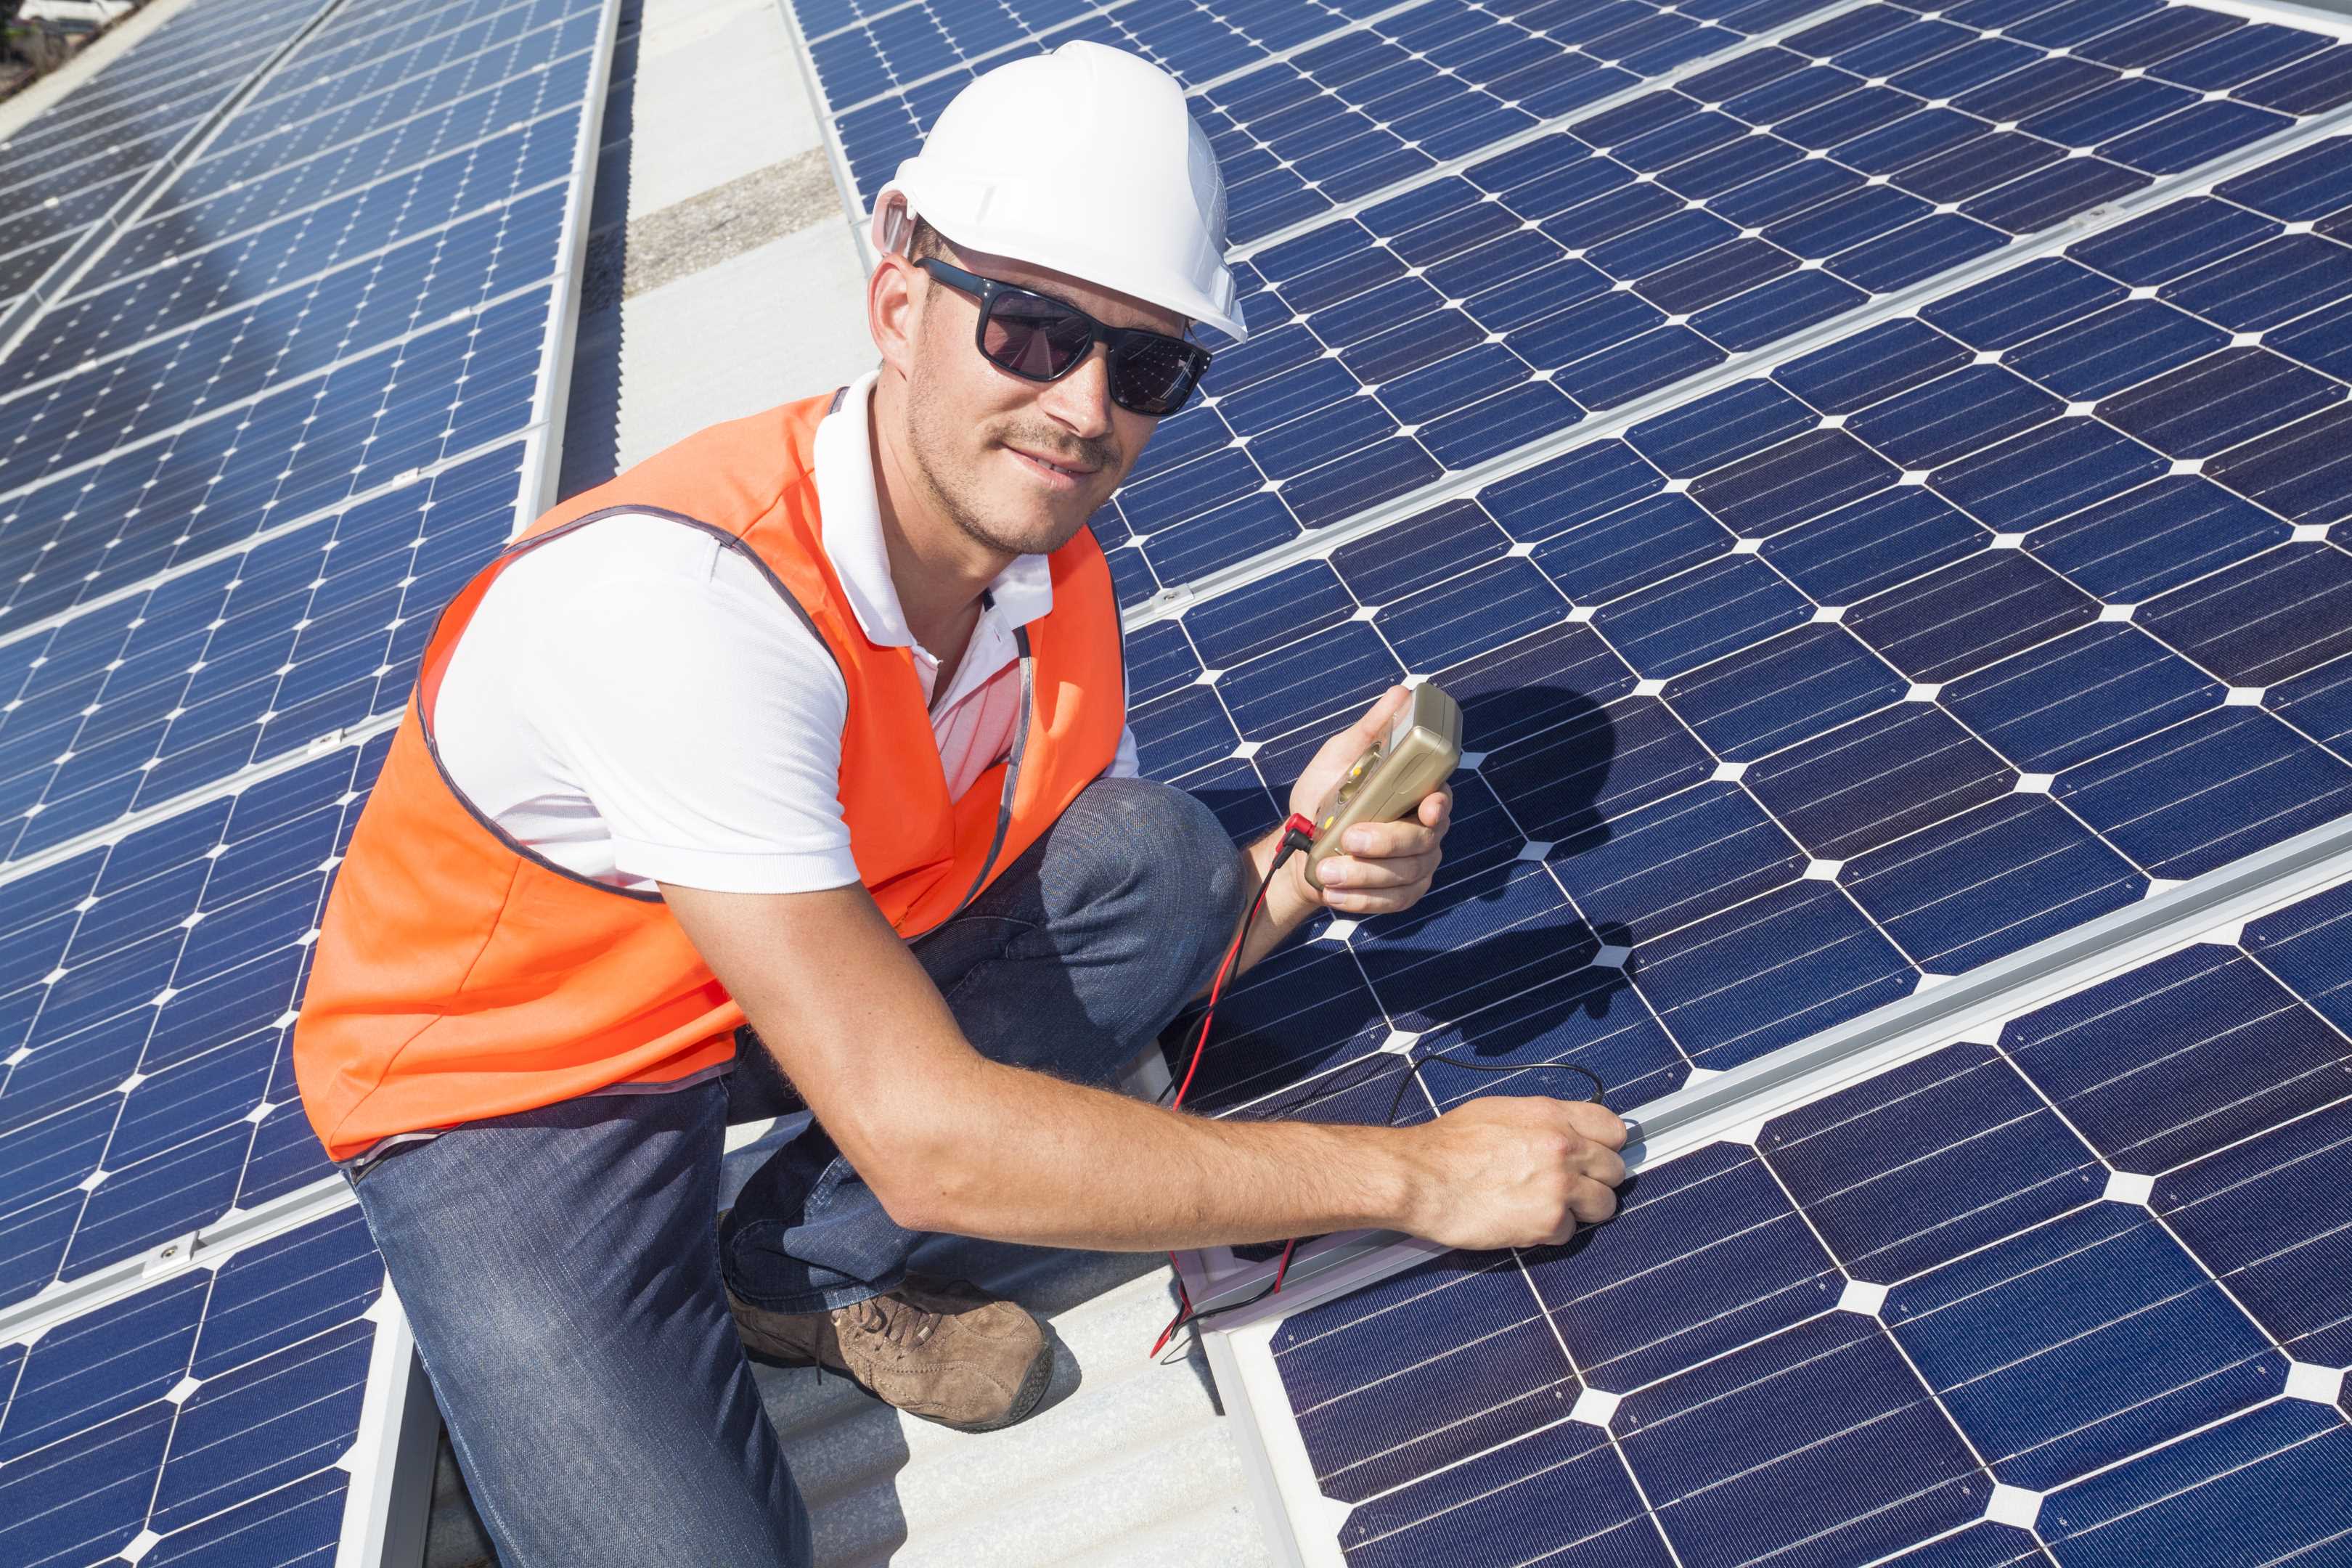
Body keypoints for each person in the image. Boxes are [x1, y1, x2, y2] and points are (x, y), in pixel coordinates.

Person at [291, 38, 1628, 1568]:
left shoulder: (1047, 581)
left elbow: (1080, 939)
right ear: (896, 293)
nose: (1081, 410)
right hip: (519, 1084)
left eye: (1147, 368)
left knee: (1163, 863)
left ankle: (787, 1275)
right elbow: (932, 1135)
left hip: (769, 977)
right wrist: (1414, 1177)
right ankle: (596, 1351)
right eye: (1032, 328)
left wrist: (1305, 874)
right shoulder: (684, 608)